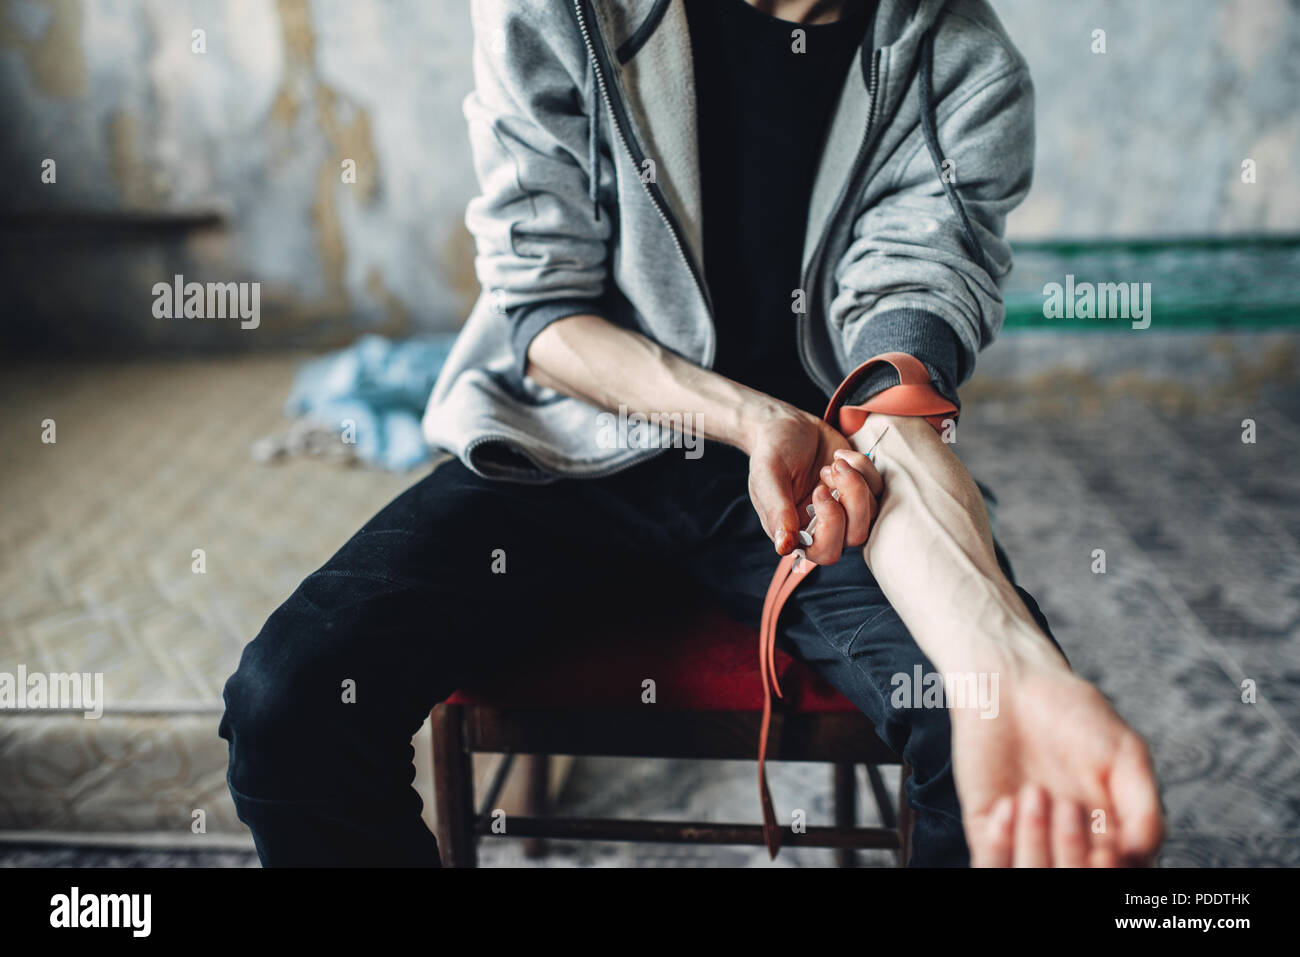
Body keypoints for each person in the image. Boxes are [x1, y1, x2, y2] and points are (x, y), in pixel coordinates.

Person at [219, 0, 1164, 867]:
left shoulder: (964, 67)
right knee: (289, 702)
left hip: (824, 471)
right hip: (572, 445)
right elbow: (543, 313)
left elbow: (899, 384)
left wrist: (1016, 664)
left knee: (982, 729)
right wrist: (751, 418)